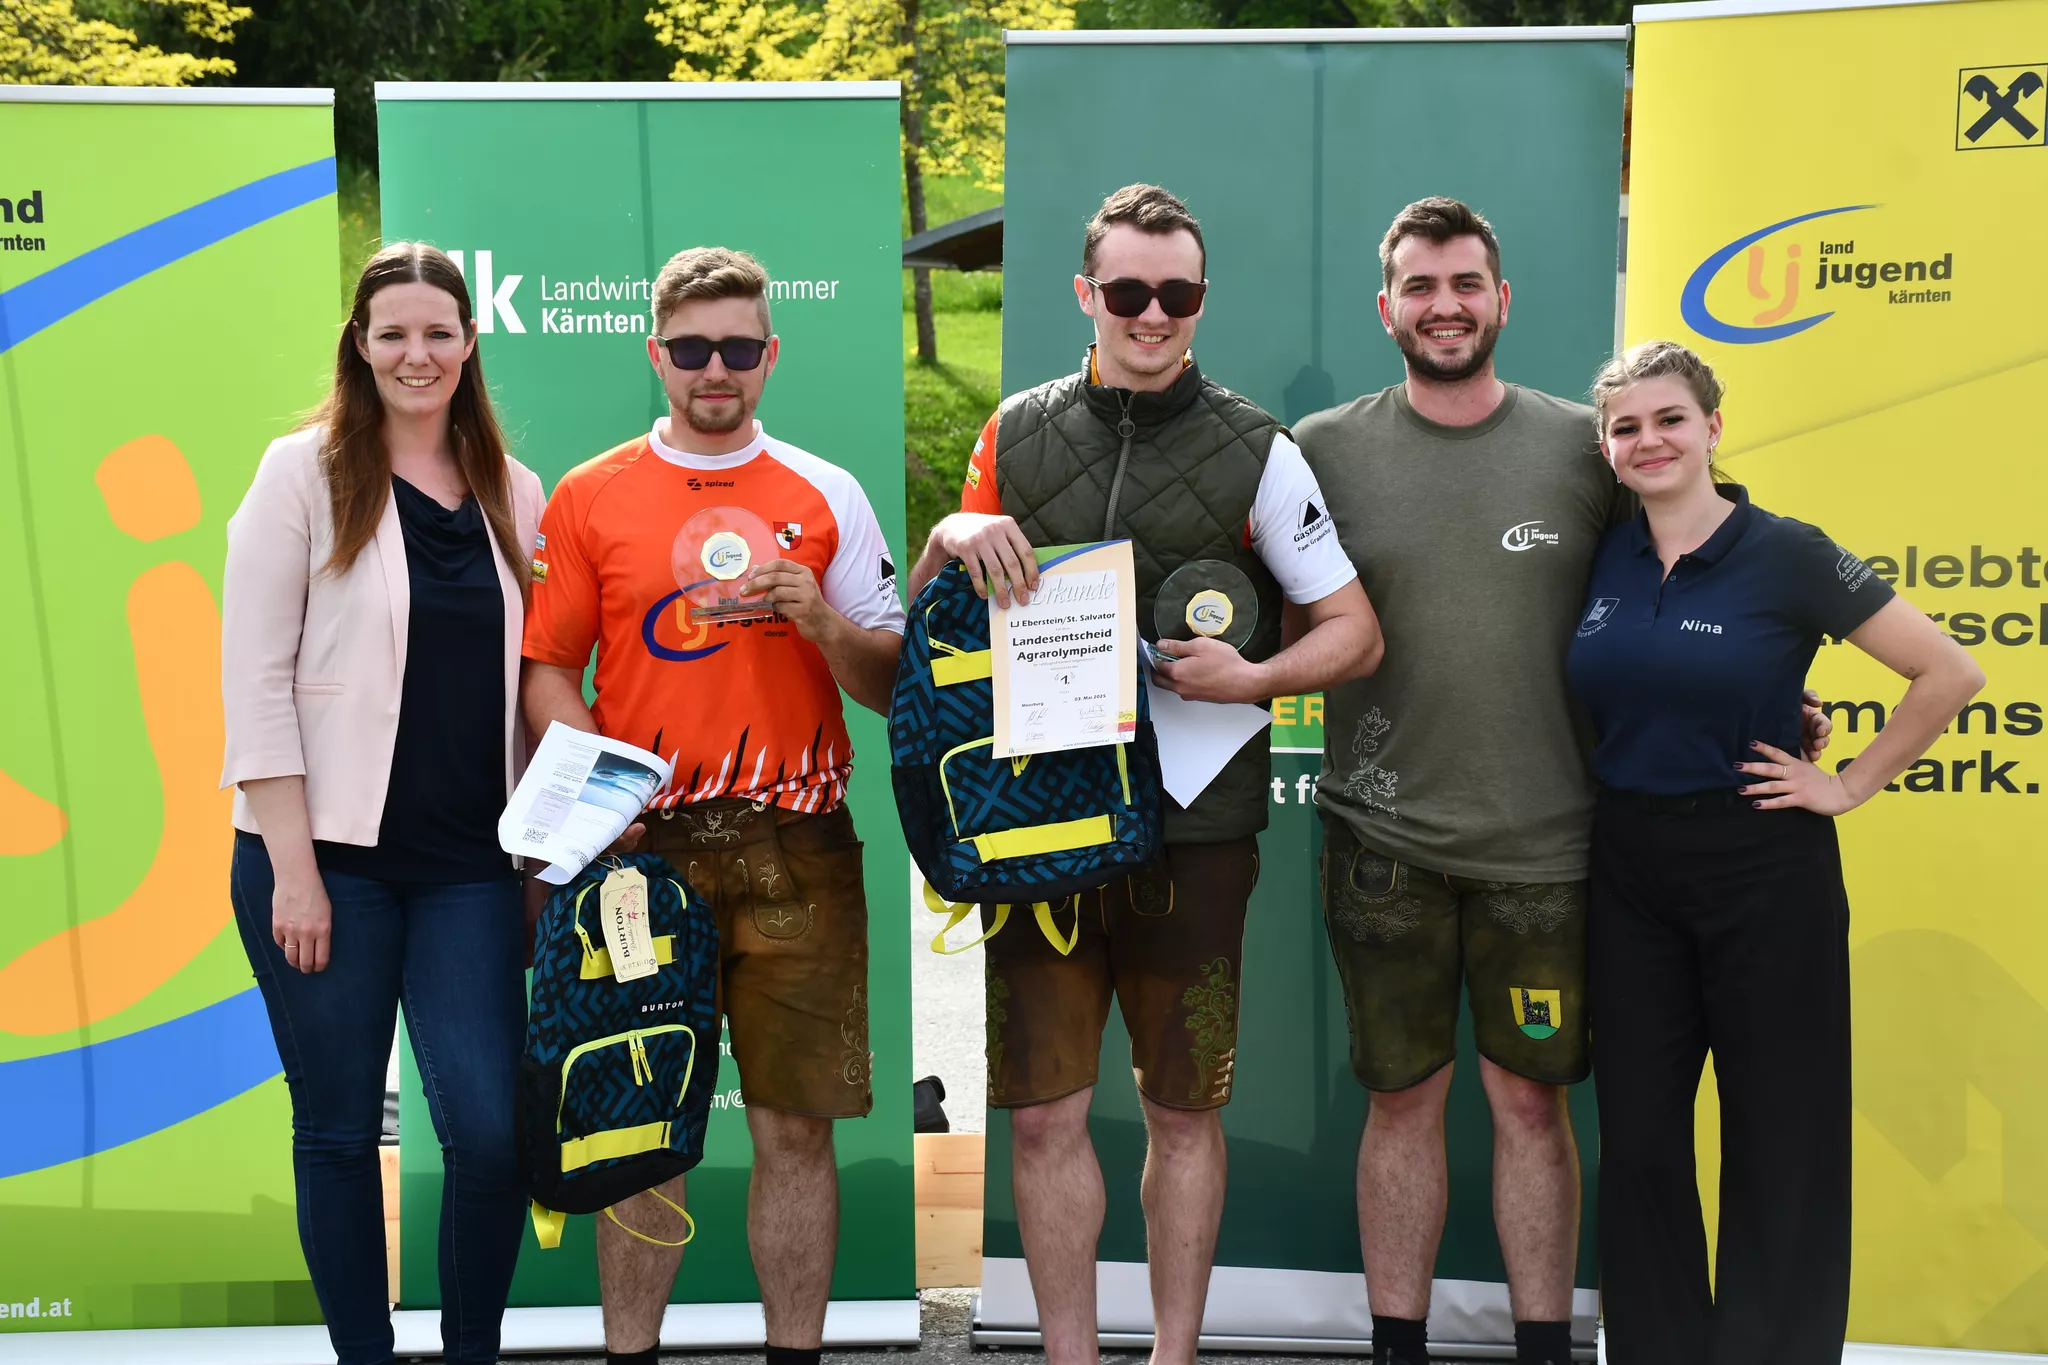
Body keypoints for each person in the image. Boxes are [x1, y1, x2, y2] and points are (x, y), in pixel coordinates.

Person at [1293, 198, 1836, 1365]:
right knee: (1399, 1104)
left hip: (1549, 850)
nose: (1444, 306)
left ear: (1501, 299)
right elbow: (1266, 606)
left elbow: (1679, 579)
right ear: (1385, 308)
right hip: (1377, 842)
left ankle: (1545, 1349)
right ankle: (1398, 1347)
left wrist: (1755, 696)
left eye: (1465, 284)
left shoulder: (1575, 447)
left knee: (1531, 1107)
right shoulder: (1323, 446)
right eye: (1420, 287)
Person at [908, 183, 1383, 1365]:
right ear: (1086, 294)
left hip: (1195, 830)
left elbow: (1354, 632)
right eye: (1128, 291)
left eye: (1177, 294)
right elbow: (936, 609)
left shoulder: (1257, 448)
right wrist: (953, 534)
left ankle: (1172, 1357)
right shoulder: (1012, 431)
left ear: (1200, 302)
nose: (1153, 314)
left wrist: (1254, 677)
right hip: (1038, 825)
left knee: (1182, 1113)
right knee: (1043, 1121)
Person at [520, 247, 904, 1365]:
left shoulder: (824, 491)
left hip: (800, 847)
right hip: (644, 856)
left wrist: (824, 624)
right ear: (657, 356)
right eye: (691, 350)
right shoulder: (591, 494)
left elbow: (888, 682)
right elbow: (546, 667)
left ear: (770, 355)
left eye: (738, 347)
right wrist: (603, 797)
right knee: (641, 1132)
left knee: (794, 1131)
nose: (715, 369)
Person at [1568, 341, 1982, 1365]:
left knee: (1780, 1137)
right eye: (1625, 427)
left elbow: (1945, 672)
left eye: (1668, 419)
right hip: (1625, 868)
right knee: (1642, 1141)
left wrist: (1845, 783)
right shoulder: (1603, 556)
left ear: (1711, 427)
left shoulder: (1785, 551)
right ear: (1606, 450)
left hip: (1761, 868)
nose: (1647, 440)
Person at [220, 242, 546, 1365]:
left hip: (468, 867)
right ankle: (363, 1354)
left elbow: (523, 685)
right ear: (360, 343)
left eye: (438, 333)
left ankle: (468, 1354)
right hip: (324, 866)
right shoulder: (299, 474)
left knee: (493, 1137)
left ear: (468, 346)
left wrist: (547, 850)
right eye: (393, 332)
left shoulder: (515, 489)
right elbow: (254, 681)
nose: (417, 353)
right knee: (339, 1130)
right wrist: (296, 870)